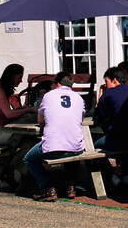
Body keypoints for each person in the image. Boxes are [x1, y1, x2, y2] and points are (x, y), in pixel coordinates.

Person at [24, 71, 86, 201]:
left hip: (53, 147)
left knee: (29, 159)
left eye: (53, 83)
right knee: (71, 150)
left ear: (57, 84)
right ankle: (71, 187)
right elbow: (81, 118)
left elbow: (40, 121)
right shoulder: (78, 98)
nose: (51, 86)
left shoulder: (48, 96)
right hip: (76, 147)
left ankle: (48, 187)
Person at [0, 64, 34, 147]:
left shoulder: (1, 90)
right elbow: (9, 114)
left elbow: (7, 112)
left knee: (27, 138)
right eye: (19, 77)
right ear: (11, 77)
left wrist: (22, 109)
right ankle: (21, 160)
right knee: (28, 139)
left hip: (0, 130)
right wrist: (29, 110)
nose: (21, 80)